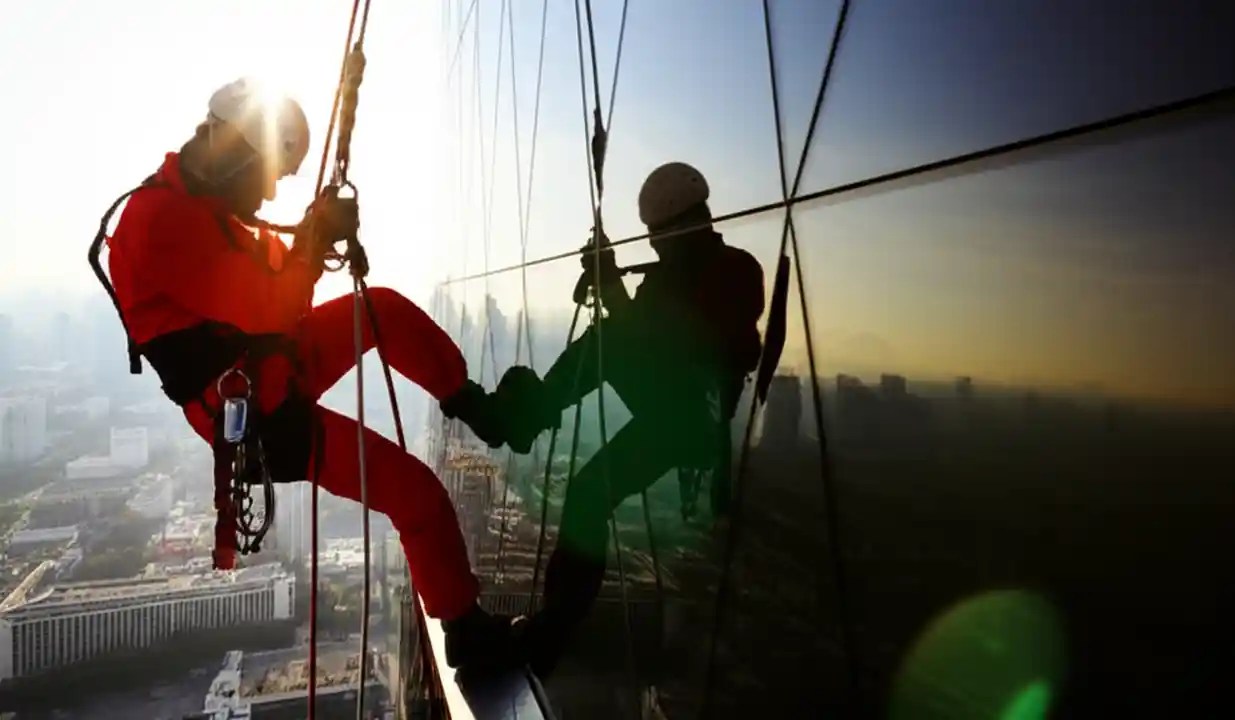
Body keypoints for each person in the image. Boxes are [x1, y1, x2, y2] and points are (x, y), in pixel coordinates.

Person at [101, 78, 521, 670]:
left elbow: (273, 285)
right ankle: (467, 632)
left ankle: (480, 408)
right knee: (415, 493)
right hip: (260, 418)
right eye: (271, 173)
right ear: (240, 150)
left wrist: (310, 233)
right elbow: (268, 304)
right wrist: (314, 237)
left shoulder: (200, 209)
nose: (270, 191)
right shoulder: (159, 221)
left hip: (269, 368)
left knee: (382, 309)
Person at [481, 162, 766, 675]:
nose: (654, 246)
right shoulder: (682, 276)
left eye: (658, 236)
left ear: (683, 226)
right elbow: (648, 340)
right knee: (589, 491)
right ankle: (553, 629)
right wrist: (611, 283)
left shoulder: (733, 273)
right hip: (673, 413)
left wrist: (610, 282)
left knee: (604, 349)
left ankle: (529, 418)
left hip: (689, 418)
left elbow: (659, 344)